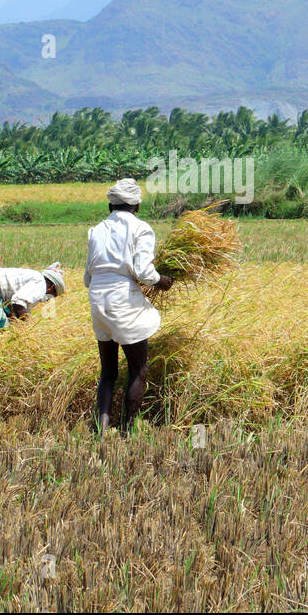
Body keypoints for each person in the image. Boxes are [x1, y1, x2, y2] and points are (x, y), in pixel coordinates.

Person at [84, 178, 174, 433]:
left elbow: (87, 276)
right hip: (122, 301)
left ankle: (101, 428)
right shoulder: (141, 229)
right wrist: (162, 281)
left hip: (98, 300)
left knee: (108, 371)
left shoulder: (96, 230)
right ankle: (127, 430)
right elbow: (145, 272)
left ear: (111, 206)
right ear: (136, 206)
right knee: (138, 368)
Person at [0, 262, 67, 330]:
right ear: (51, 287)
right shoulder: (41, 284)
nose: (48, 300)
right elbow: (18, 302)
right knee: (2, 333)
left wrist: (15, 322)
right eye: (53, 295)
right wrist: (26, 331)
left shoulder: (32, 276)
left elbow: (14, 307)